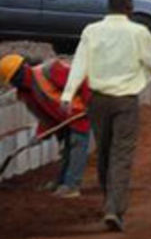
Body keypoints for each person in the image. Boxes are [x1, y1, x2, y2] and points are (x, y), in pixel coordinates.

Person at [61, 0, 151, 232]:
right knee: (121, 155)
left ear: (108, 7)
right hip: (125, 102)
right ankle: (114, 209)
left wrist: (68, 94)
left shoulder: (91, 31)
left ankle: (109, 202)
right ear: (129, 8)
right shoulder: (138, 33)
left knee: (104, 153)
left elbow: (79, 63)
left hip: (98, 101)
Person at [1, 54, 91, 198]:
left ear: (24, 67)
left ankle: (71, 186)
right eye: (13, 80)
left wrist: (89, 103)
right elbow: (44, 116)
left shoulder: (49, 71)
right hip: (61, 121)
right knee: (65, 149)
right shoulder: (25, 93)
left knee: (76, 146)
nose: (16, 81)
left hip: (78, 115)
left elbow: (81, 80)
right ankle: (61, 181)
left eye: (17, 76)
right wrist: (40, 134)